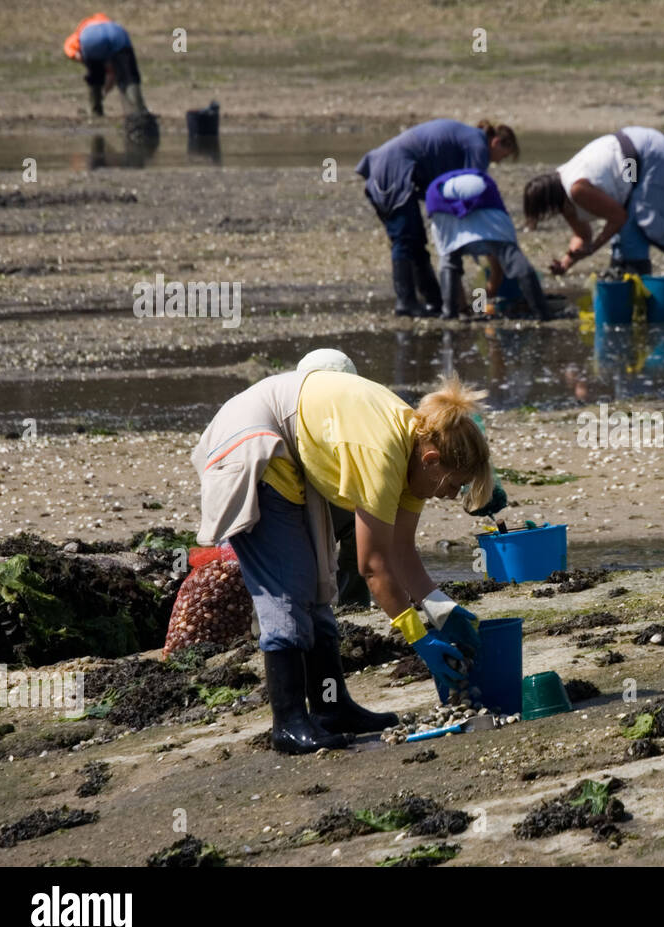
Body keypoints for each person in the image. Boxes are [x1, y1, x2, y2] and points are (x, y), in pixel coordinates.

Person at [192, 370, 491, 754]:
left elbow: (400, 551)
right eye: (453, 486)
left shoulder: (415, 455)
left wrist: (444, 610)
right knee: (290, 585)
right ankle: (288, 723)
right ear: (432, 460)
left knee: (319, 581)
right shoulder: (383, 454)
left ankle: (332, 707)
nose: (451, 496)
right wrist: (419, 638)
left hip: (292, 449)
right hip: (252, 442)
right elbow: (372, 566)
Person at [356, 119, 519, 318]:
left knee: (416, 240)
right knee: (405, 239)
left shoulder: (467, 139)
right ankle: (405, 302)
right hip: (394, 170)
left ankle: (435, 301)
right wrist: (493, 252)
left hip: (387, 168)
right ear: (497, 143)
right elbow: (475, 194)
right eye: (503, 157)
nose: (497, 162)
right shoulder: (478, 145)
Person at [523, 126, 664, 278]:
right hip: (629, 154)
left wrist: (594, 248)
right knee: (621, 227)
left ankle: (638, 287)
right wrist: (565, 263)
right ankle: (624, 285)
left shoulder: (576, 189)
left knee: (631, 228)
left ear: (548, 204)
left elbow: (618, 217)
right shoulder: (563, 197)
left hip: (646, 154)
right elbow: (583, 236)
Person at [426, 168, 550, 320]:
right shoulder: (487, 273)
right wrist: (481, 306)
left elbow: (490, 278)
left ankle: (450, 313)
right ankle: (541, 313)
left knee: (449, 259)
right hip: (478, 191)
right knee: (510, 254)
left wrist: (466, 310)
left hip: (438, 196)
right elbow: (495, 276)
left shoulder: (484, 274)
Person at [63, 13, 147, 117]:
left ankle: (96, 110)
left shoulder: (82, 30)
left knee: (95, 75)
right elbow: (112, 75)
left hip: (90, 37)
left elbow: (68, 47)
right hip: (117, 32)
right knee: (129, 76)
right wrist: (105, 92)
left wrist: (80, 58)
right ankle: (139, 110)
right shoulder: (107, 23)